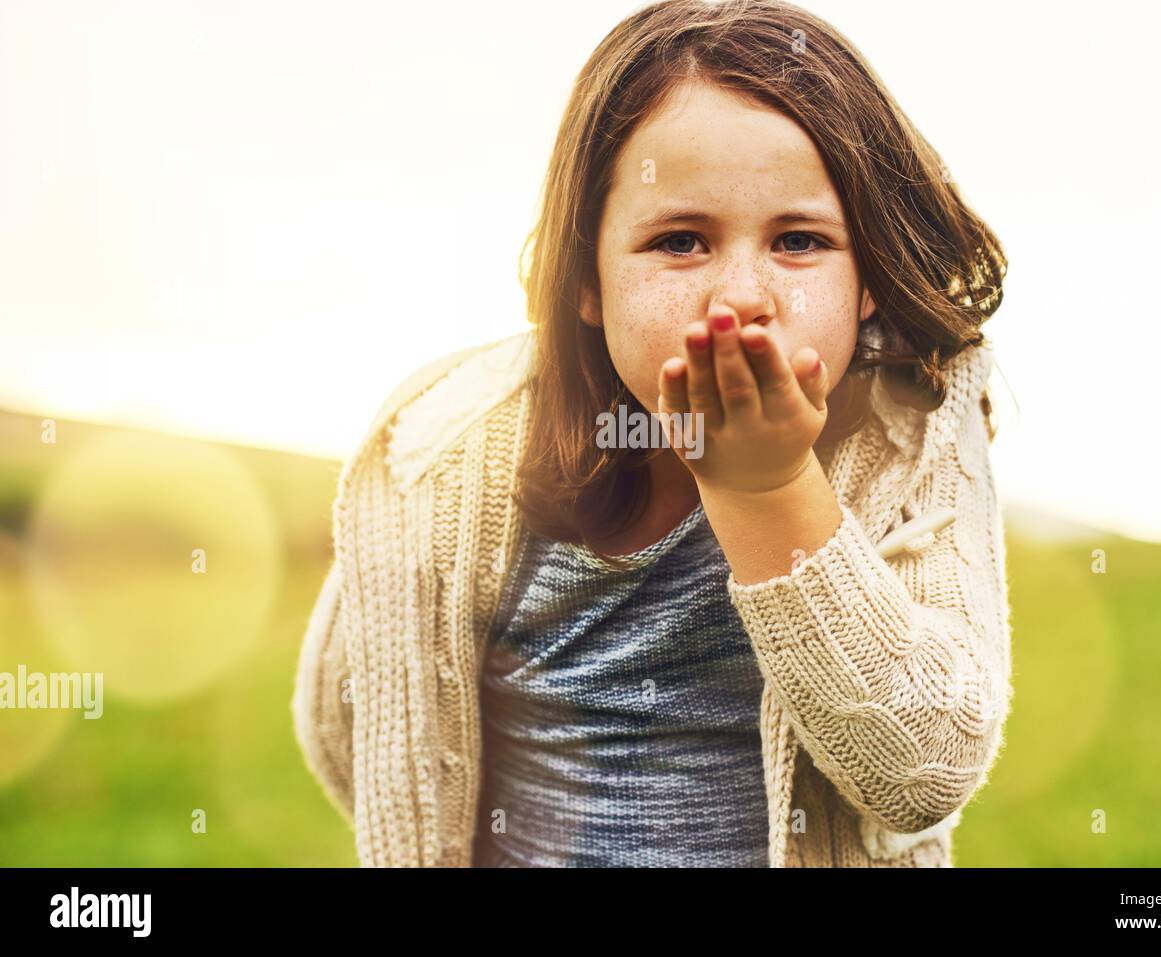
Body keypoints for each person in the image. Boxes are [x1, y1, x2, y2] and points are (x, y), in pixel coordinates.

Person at [292, 0, 1013, 868]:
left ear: (867, 278)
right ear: (584, 277)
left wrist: (768, 491)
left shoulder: (909, 421)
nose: (741, 296)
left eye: (798, 240)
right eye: (680, 241)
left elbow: (925, 768)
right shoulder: (442, 453)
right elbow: (362, 722)